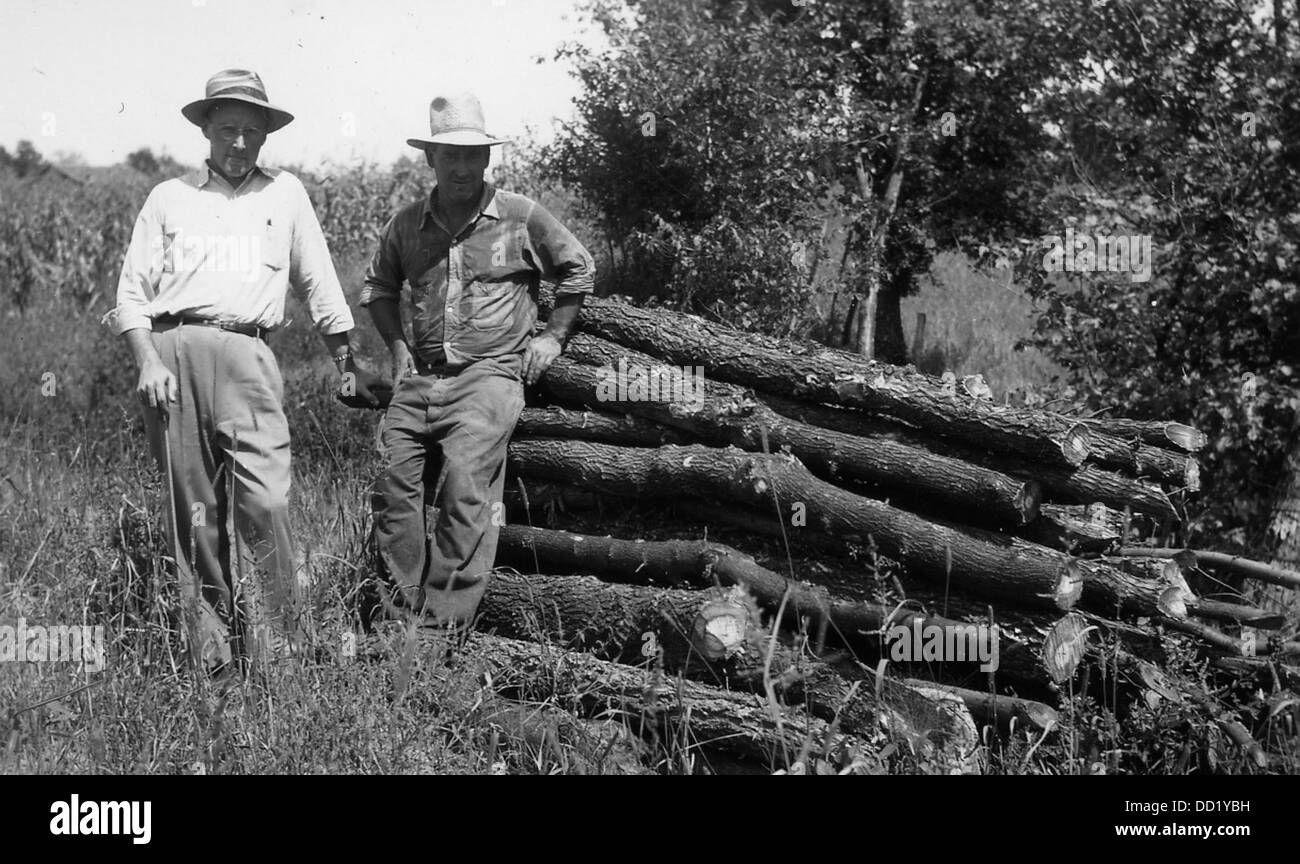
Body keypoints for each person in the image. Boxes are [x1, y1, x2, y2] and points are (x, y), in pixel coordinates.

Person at [109, 69, 383, 672]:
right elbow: (131, 294)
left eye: (251, 132)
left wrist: (347, 362)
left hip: (250, 356)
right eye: (228, 128)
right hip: (173, 355)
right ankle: (213, 659)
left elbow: (319, 283)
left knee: (267, 503)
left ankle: (278, 653)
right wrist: (147, 360)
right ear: (206, 128)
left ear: (265, 136)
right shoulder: (169, 197)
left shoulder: (285, 194)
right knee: (195, 513)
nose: (239, 142)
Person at [362, 91, 594, 628]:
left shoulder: (519, 217)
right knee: (392, 484)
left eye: (471, 155)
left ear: (487, 157)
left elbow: (577, 268)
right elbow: (378, 287)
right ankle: (400, 622)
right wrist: (398, 350)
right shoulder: (406, 224)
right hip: (420, 380)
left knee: (465, 486)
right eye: (449, 156)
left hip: (490, 376)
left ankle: (441, 628)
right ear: (430, 159)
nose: (461, 167)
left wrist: (552, 338)